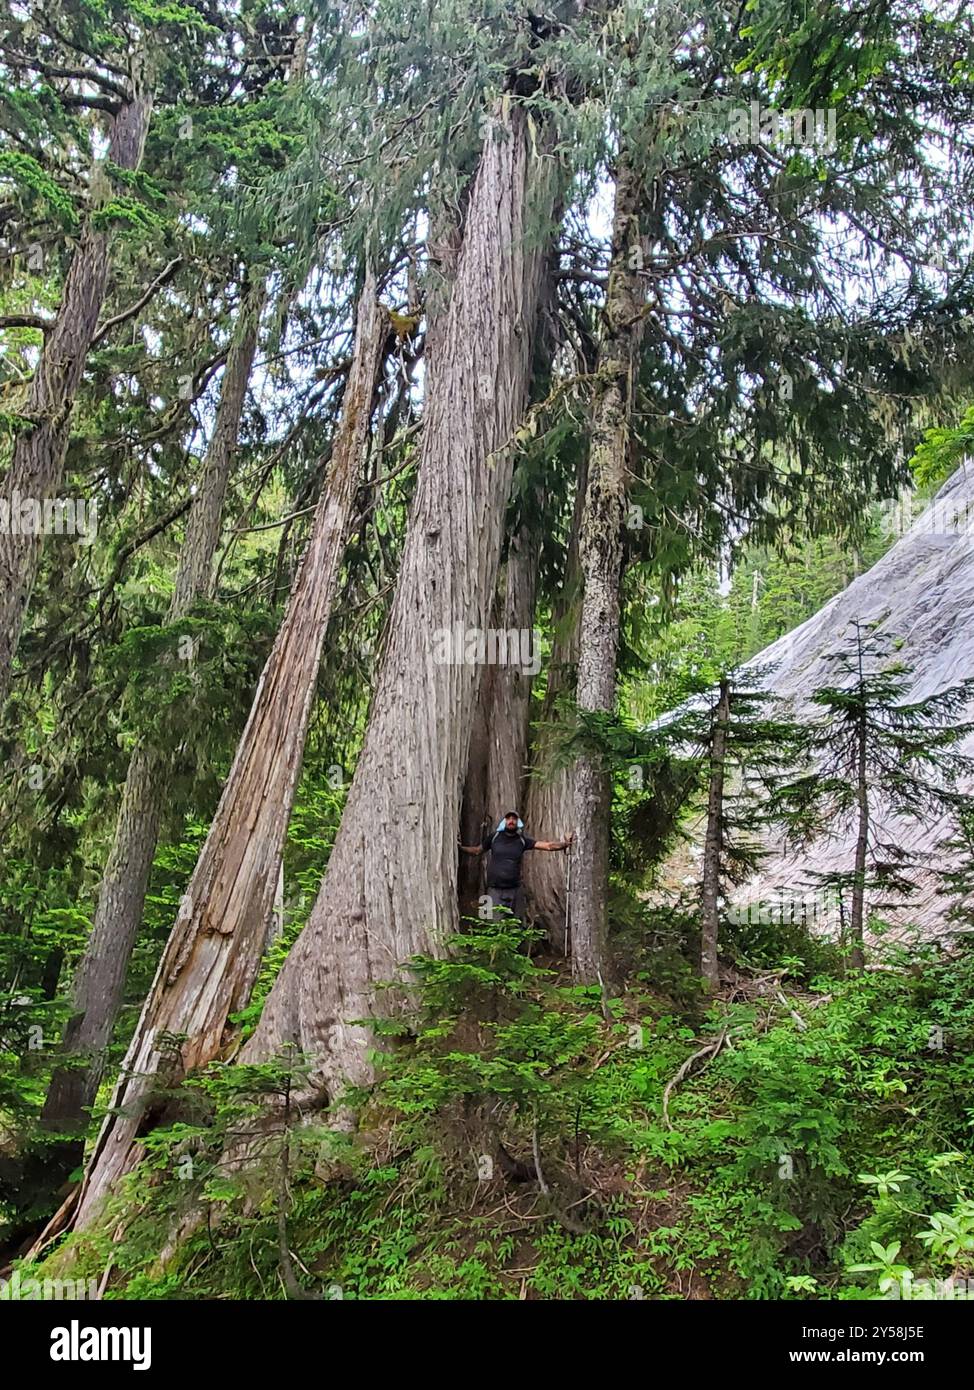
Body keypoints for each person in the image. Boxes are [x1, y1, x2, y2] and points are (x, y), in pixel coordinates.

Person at [459, 811, 573, 922]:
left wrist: (565, 844)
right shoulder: (494, 837)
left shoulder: (522, 840)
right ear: (505, 821)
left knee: (517, 923)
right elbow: (477, 851)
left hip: (515, 890)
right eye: (508, 818)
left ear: (518, 822)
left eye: (514, 819)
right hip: (495, 889)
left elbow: (548, 846)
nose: (511, 821)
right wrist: (461, 848)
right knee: (494, 923)